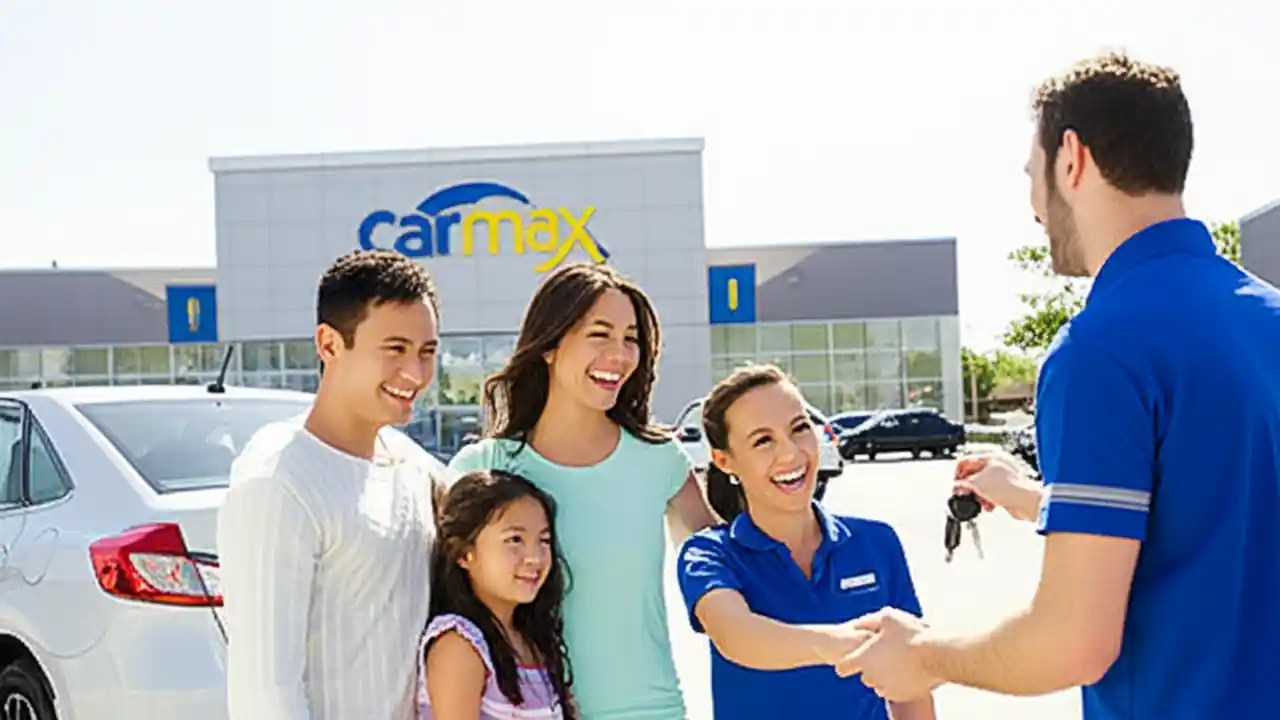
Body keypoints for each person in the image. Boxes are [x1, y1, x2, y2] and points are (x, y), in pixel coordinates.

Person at [836, 51, 1280, 719]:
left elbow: (1073, 644)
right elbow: (1212, 515)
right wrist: (1037, 498)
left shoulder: (1100, 349)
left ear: (1070, 159)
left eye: (1031, 173)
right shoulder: (1266, 318)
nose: (1034, 205)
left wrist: (924, 653)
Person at [448, 262, 717, 720]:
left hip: (650, 712)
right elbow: (443, 607)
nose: (619, 354)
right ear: (550, 345)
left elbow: (727, 562)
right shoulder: (486, 466)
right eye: (600, 334)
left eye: (630, 339)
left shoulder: (659, 460)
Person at [217, 249, 450, 719]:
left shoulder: (412, 466)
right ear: (328, 345)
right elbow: (265, 692)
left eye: (427, 352)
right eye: (395, 349)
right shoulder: (279, 481)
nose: (417, 374)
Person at [677, 364, 935, 720]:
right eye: (763, 440)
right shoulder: (710, 554)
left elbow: (909, 689)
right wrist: (844, 644)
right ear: (724, 461)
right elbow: (736, 635)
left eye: (799, 429)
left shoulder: (877, 543)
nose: (791, 454)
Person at [420, 468, 576, 719]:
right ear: (463, 553)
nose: (534, 557)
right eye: (515, 539)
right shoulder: (459, 645)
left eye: (544, 541)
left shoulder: (535, 641)